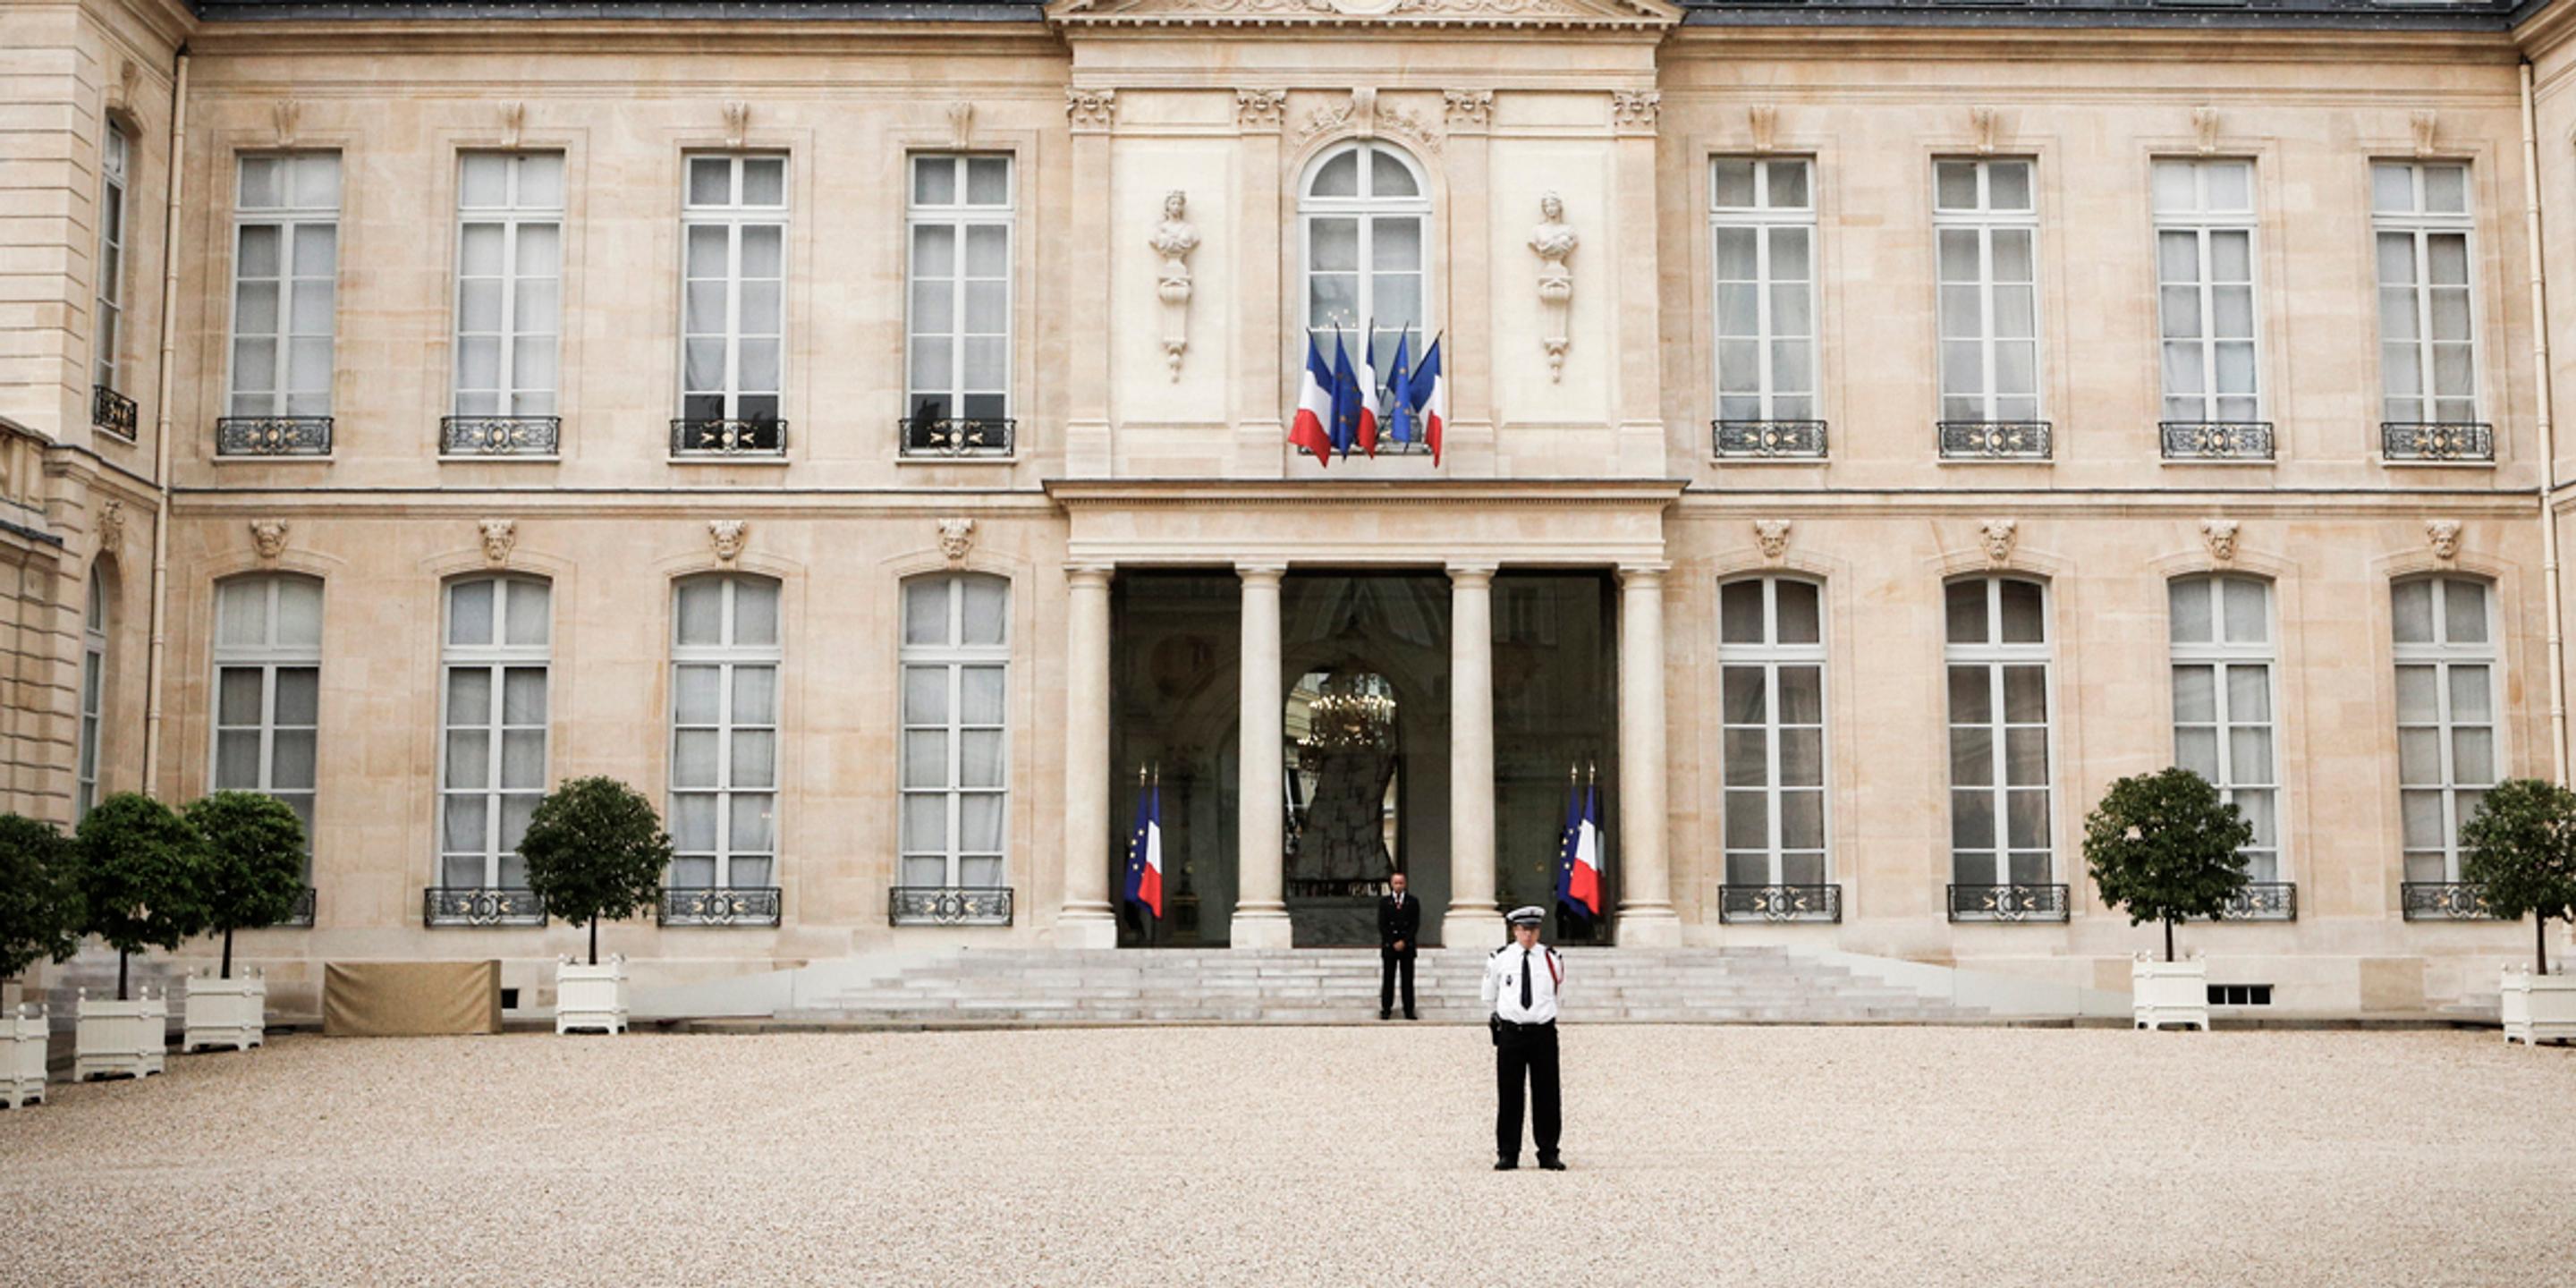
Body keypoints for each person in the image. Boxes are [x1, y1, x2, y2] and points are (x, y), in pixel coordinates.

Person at [1483, 906, 1564, 1171]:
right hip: (1512, 1033)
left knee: (1547, 1094)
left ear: (1538, 931)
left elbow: (1557, 992)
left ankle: (1548, 1151)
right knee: (1509, 1094)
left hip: (1542, 1033)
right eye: (1523, 929)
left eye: (1533, 930)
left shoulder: (1551, 958)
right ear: (1514, 930)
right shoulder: (1500, 958)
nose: (1528, 935)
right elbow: (1490, 994)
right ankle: (1508, 1152)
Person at [1377, 870, 1420, 1020]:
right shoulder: (1384, 902)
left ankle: (1409, 1009)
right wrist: (1392, 941)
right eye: (1396, 883)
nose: (1398, 886)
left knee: (1407, 980)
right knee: (1388, 979)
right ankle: (1386, 1009)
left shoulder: (1413, 902)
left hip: (1407, 946)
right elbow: (1382, 925)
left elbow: (1415, 924)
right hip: (1390, 947)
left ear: (1405, 884)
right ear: (1391, 884)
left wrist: (1404, 941)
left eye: (1401, 883)